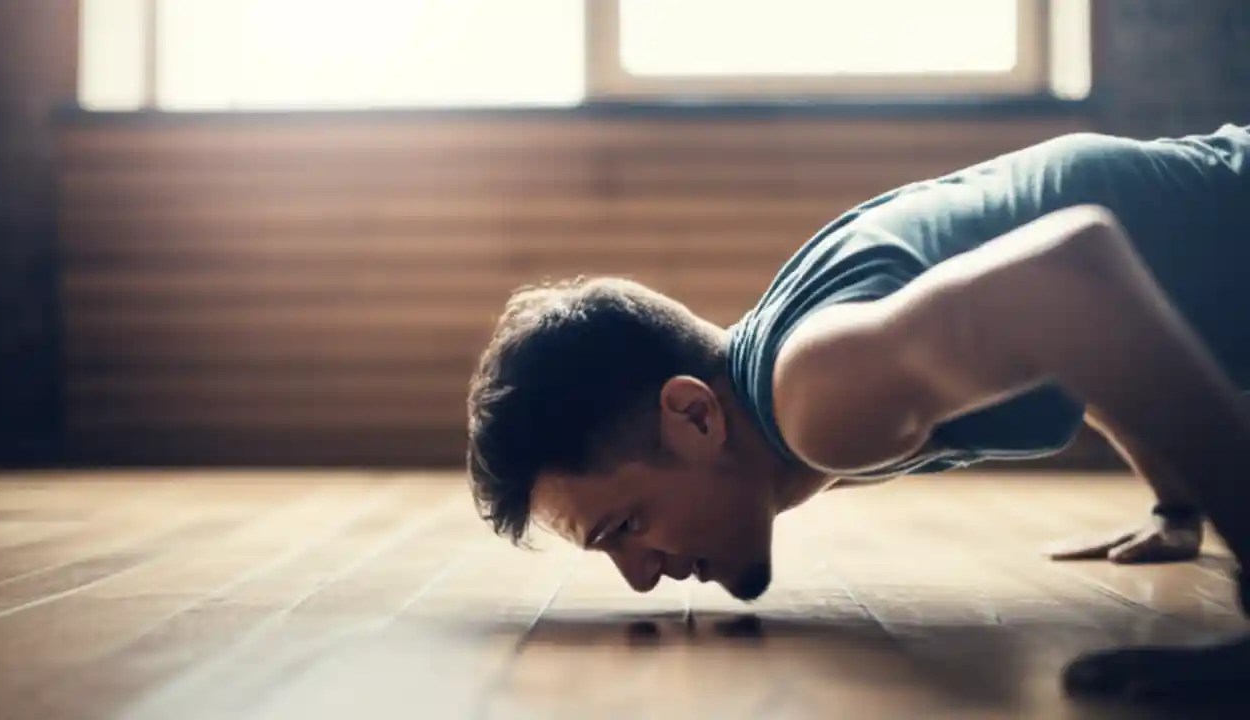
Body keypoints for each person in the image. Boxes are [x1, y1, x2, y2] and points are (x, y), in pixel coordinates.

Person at [465, 124, 1250, 698]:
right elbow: (1071, 332)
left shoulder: (820, 398)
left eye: (625, 526)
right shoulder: (790, 364)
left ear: (695, 418)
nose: (641, 579)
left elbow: (1072, 276)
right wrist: (1177, 500)